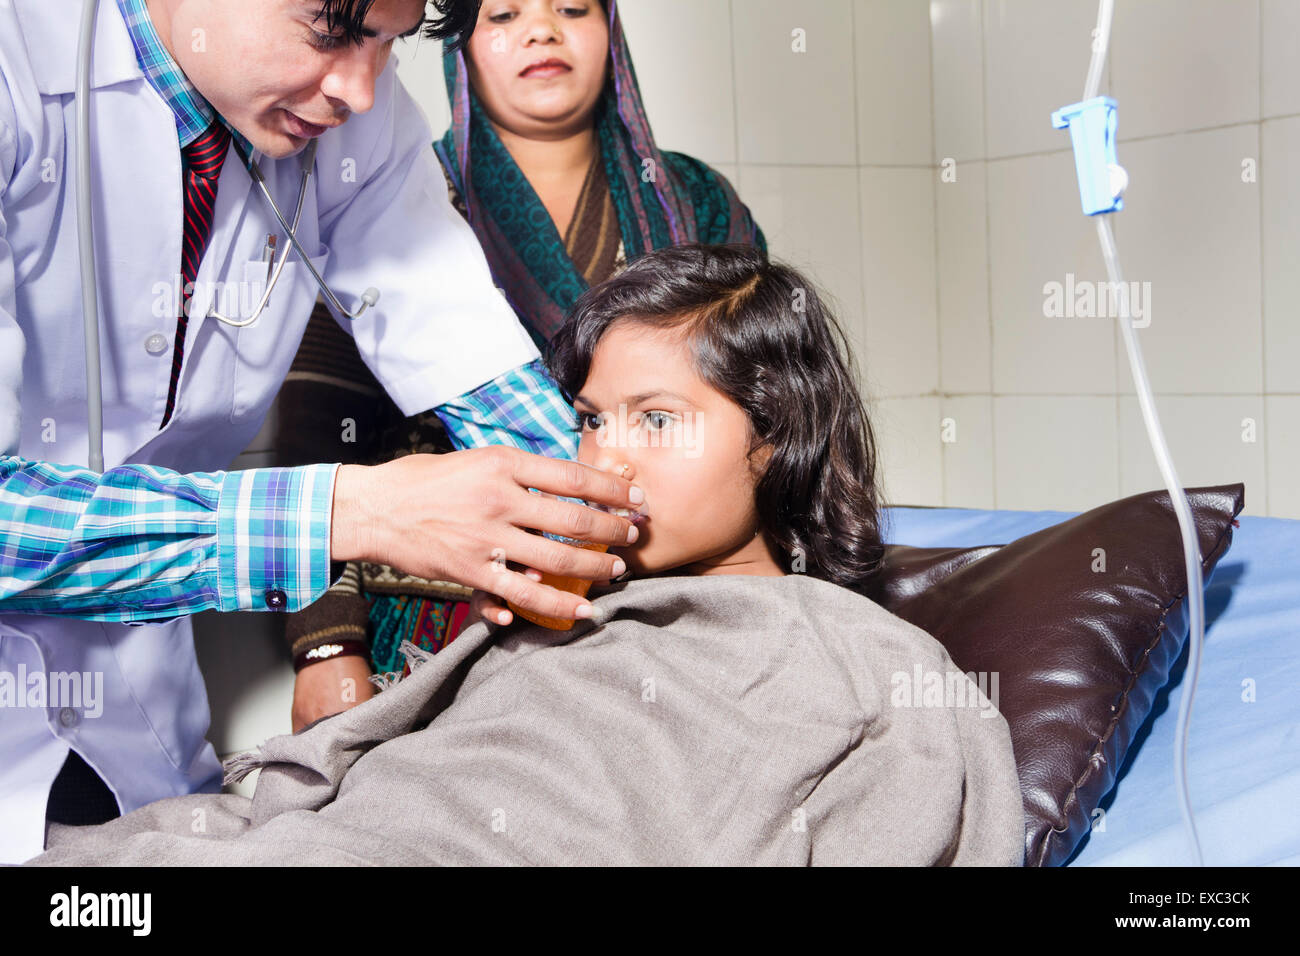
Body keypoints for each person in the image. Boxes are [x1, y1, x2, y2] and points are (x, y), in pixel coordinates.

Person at [28, 245, 1026, 867]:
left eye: (658, 418)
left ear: (777, 434)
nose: (605, 455)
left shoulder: (863, 663)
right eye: (592, 419)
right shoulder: (550, 614)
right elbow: (347, 780)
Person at [0, 0, 641, 864]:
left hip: (139, 726)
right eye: (331, 30)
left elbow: (481, 372)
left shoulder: (351, 131)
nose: (361, 90)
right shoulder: (17, 67)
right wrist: (353, 512)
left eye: (387, 40)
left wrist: (611, 519)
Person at [277, 0, 765, 732]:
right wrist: (325, 646)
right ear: (458, 46)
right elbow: (319, 436)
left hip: (665, 599)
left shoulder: (692, 201)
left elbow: (763, 404)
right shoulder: (392, 191)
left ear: (611, 30)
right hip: (435, 619)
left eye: (572, 8)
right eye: (502, 14)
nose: (543, 30)